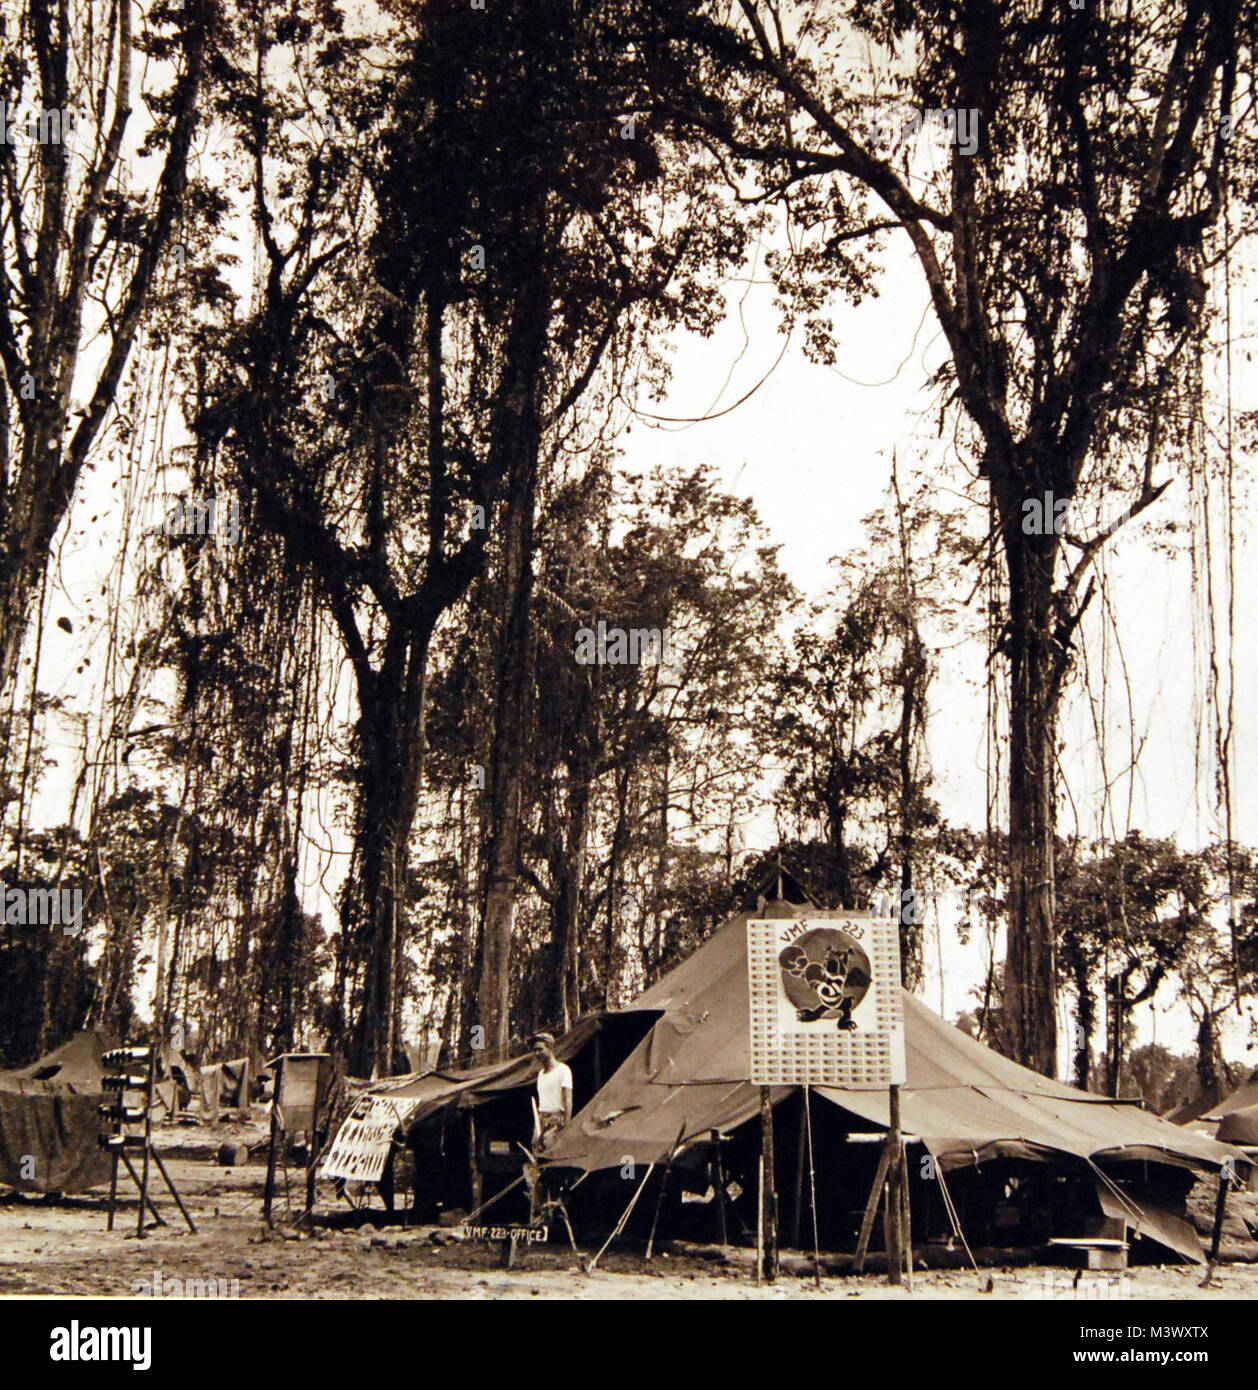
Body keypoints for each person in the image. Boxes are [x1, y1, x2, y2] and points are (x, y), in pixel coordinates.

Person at [529, 1032, 572, 1151]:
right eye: (534, 1051)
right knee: (537, 1154)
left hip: (556, 1120)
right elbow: (542, 1101)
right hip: (541, 1120)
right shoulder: (541, 1074)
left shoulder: (563, 1070)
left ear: (550, 1047)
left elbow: (567, 1100)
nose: (537, 1053)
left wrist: (565, 1127)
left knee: (551, 1155)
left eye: (540, 1049)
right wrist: (537, 1126)